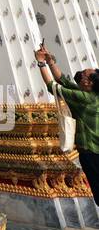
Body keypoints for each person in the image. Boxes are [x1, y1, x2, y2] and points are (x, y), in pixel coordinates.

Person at [35, 45, 99, 203]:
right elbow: (62, 80)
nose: (81, 74)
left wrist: (41, 63)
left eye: (85, 74)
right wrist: (50, 62)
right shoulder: (91, 94)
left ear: (89, 83)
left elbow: (53, 86)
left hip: (92, 152)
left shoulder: (85, 99)